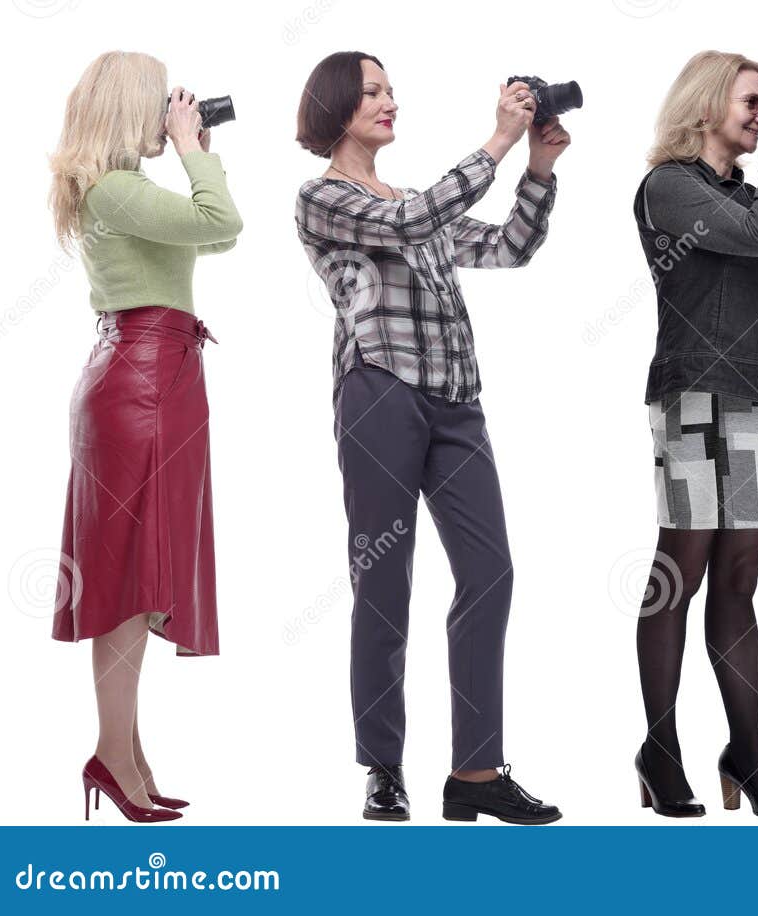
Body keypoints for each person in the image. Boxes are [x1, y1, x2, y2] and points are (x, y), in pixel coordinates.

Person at [294, 51, 570, 825]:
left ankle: (475, 773)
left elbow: (509, 247)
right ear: (337, 106)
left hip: (456, 401)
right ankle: (383, 769)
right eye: (374, 92)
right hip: (379, 391)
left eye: (389, 90)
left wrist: (538, 167)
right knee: (384, 585)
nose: (390, 102)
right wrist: (497, 140)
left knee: (491, 573)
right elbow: (410, 224)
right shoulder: (323, 198)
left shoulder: (421, 199)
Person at [631, 49, 758, 818]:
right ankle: (659, 748)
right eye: (751, 101)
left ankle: (747, 751)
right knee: (679, 573)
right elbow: (757, 237)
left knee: (740, 582)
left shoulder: (757, 188)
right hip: (695, 396)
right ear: (707, 103)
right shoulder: (670, 188)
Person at [48, 50, 243, 823]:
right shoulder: (116, 190)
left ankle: (124, 752)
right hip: (141, 387)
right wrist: (194, 149)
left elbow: (214, 236)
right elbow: (224, 220)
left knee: (138, 578)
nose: (175, 109)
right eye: (162, 100)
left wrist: (200, 152)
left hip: (153, 379)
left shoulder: (127, 192)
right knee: (128, 584)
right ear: (133, 108)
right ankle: (112, 752)